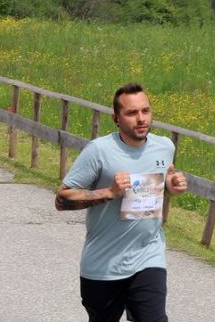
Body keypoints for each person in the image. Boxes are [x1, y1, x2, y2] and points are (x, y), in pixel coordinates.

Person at [55, 83, 187, 322]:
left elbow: (160, 179)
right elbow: (62, 199)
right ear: (116, 118)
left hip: (149, 255)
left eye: (145, 111)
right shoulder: (99, 151)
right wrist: (109, 192)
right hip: (103, 264)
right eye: (131, 113)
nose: (140, 119)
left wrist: (170, 185)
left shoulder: (164, 147)